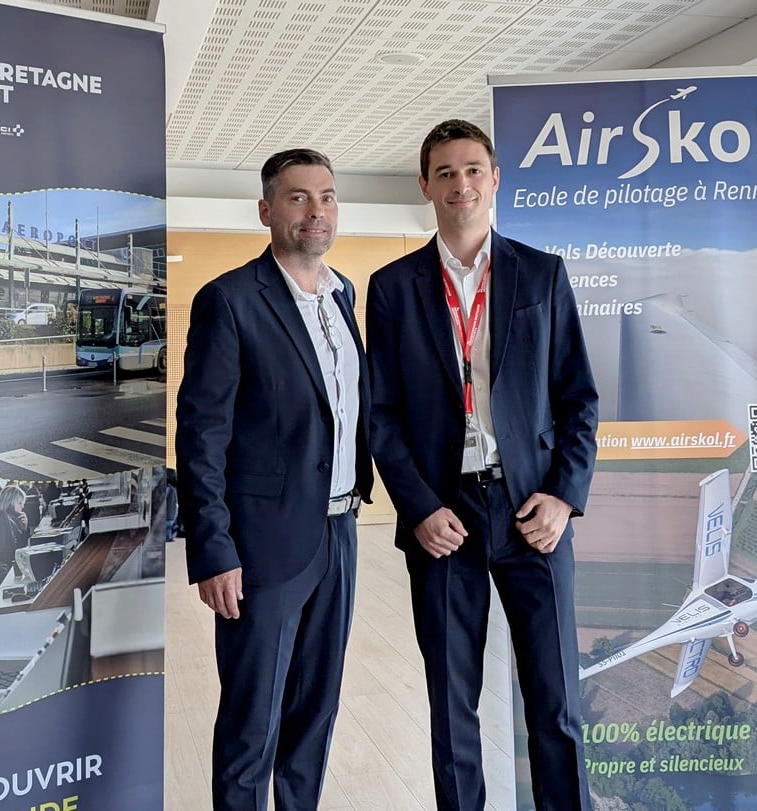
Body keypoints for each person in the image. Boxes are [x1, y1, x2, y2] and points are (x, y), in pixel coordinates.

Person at [366, 119, 599, 811]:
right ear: (426, 186)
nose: (460, 183)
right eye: (445, 172)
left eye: (473, 169)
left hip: (533, 512)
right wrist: (417, 506)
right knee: (452, 706)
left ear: (495, 179)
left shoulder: (542, 273)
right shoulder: (392, 287)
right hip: (444, 516)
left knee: (556, 703)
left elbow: (579, 399)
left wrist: (564, 496)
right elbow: (381, 414)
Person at [176, 148, 374, 811]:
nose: (316, 210)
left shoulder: (343, 297)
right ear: (267, 210)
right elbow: (201, 434)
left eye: (327, 196)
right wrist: (214, 548)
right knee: (251, 722)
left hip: (339, 532)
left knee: (315, 714)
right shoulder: (230, 300)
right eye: (297, 197)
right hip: (262, 545)